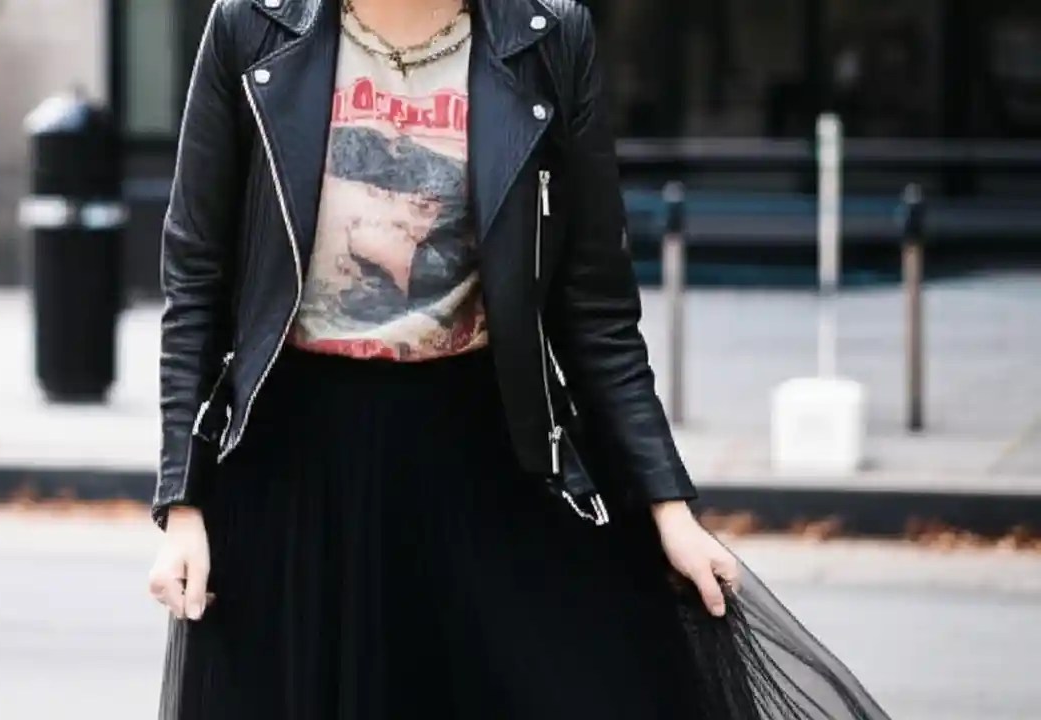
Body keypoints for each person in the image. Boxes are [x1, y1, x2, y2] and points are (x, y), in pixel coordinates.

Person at [148, 0, 891, 717]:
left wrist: (668, 506)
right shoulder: (252, 29)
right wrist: (185, 505)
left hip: (484, 453)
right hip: (293, 467)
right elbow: (195, 286)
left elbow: (595, 309)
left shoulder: (547, 38)